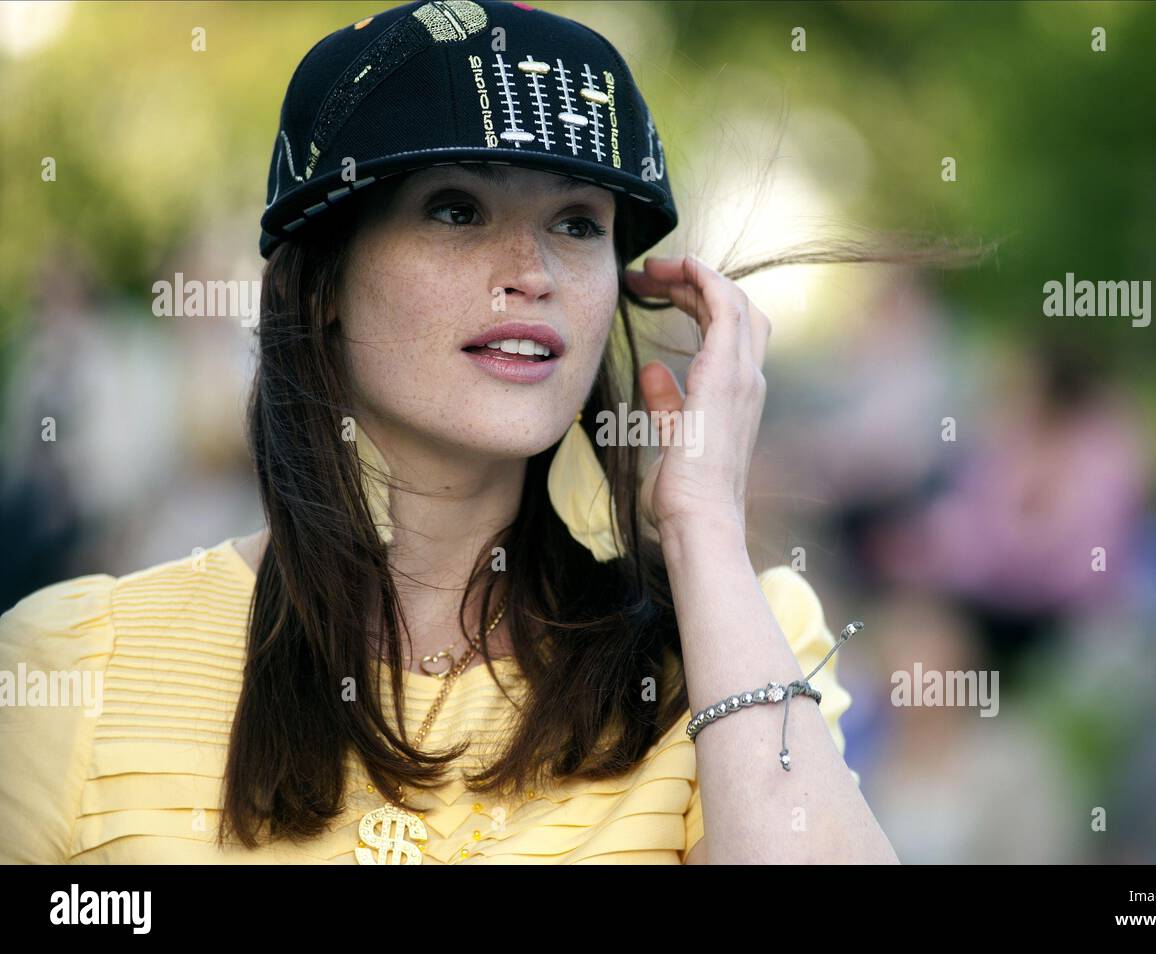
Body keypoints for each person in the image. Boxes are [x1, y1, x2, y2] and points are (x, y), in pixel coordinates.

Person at [0, 0, 899, 864]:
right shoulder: (72, 667)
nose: (533, 269)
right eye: (457, 208)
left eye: (578, 223)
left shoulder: (729, 640)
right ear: (325, 289)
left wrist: (703, 524)